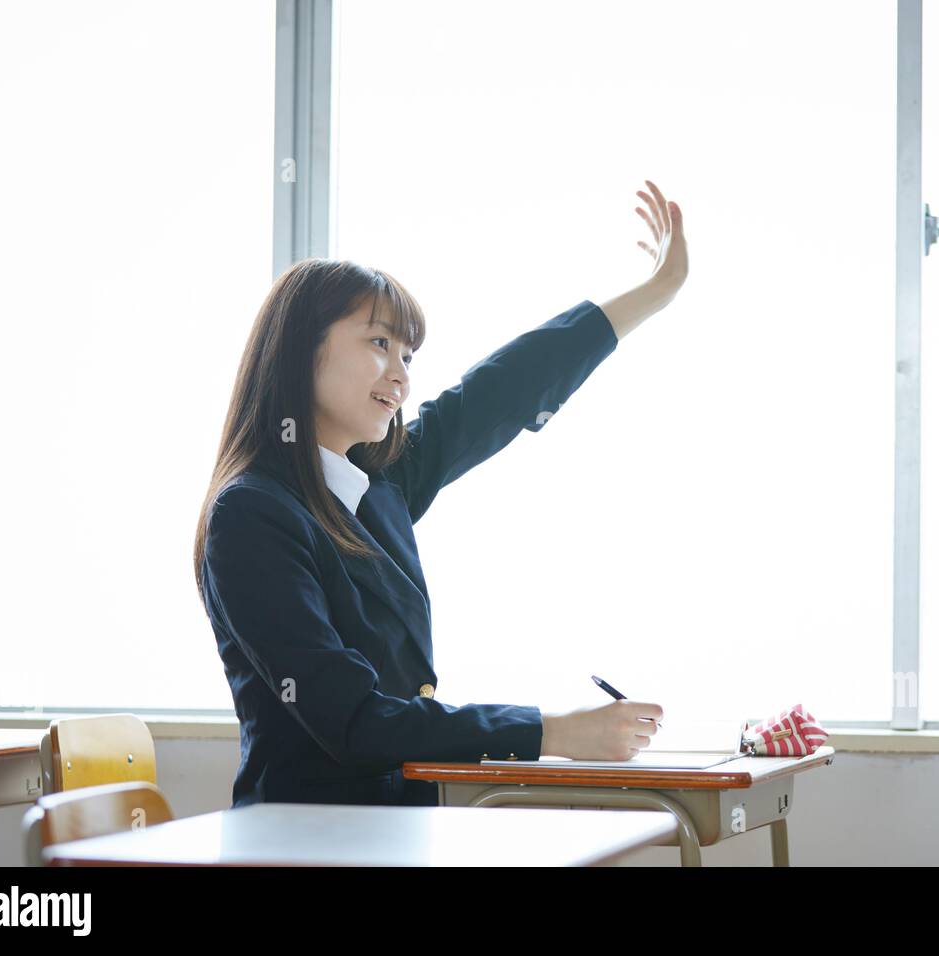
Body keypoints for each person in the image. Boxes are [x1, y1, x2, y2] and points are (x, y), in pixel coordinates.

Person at [193, 180, 688, 807]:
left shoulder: (378, 487)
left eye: (408, 354)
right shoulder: (252, 515)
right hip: (305, 841)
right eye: (379, 344)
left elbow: (497, 393)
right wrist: (551, 731)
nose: (400, 375)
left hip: (397, 832)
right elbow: (354, 721)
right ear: (301, 349)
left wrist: (654, 294)